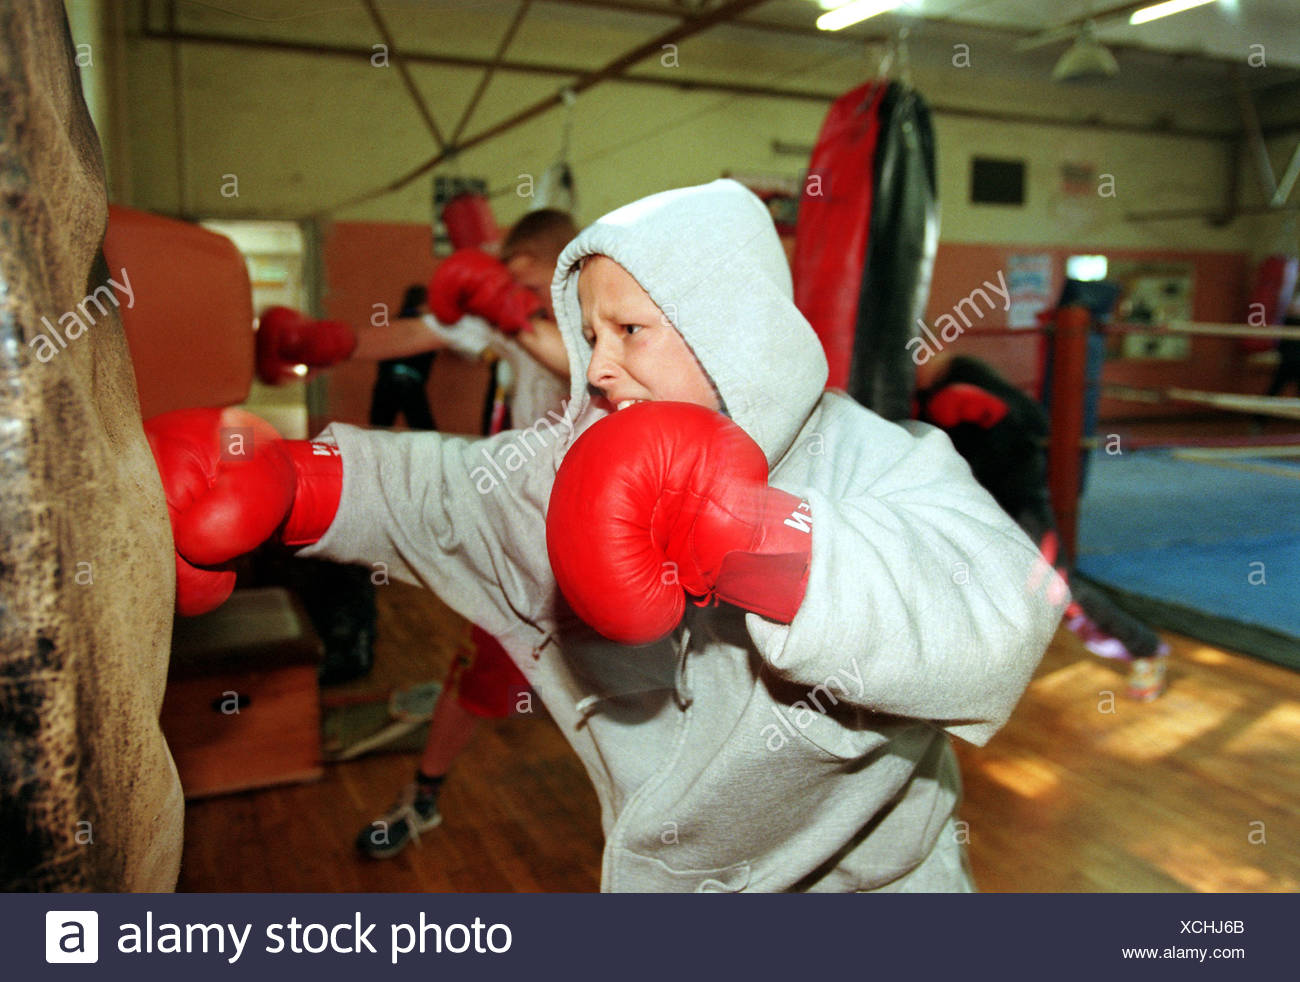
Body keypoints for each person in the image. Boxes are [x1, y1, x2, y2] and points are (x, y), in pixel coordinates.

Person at [149, 180, 1064, 892]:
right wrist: (303, 484)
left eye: (630, 329)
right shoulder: (579, 461)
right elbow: (453, 494)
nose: (601, 365)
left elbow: (998, 608)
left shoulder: (873, 457)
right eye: (590, 335)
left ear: (730, 332)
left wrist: (751, 539)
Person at [356, 210, 578, 859]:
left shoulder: (597, 311)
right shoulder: (518, 318)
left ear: (538, 265)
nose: (507, 290)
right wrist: (330, 345)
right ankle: (424, 795)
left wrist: (515, 313)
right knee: (481, 667)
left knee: (642, 689)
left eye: (515, 278)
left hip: (604, 531)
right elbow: (416, 333)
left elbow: (589, 369)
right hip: (528, 534)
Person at [914, 351, 1169, 701]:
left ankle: (1146, 649)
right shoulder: (924, 404)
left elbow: (1025, 442)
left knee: (1058, 592)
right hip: (978, 512)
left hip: (1018, 509)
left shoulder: (968, 396)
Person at [369, 285, 438, 430]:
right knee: (426, 434)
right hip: (411, 383)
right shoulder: (427, 327)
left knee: (378, 432)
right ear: (424, 304)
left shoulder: (393, 323)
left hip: (386, 381)